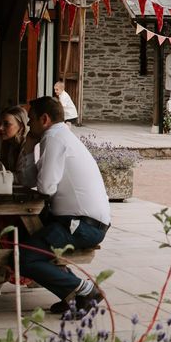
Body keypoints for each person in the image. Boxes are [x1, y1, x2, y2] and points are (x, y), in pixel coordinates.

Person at [16, 97, 111, 314]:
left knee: (24, 256)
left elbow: (46, 187)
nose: (28, 125)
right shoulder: (59, 136)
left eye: (31, 119)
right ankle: (75, 296)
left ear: (44, 119)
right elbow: (28, 180)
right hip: (78, 222)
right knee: (26, 238)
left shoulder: (54, 138)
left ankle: (86, 290)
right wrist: (29, 146)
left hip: (82, 226)